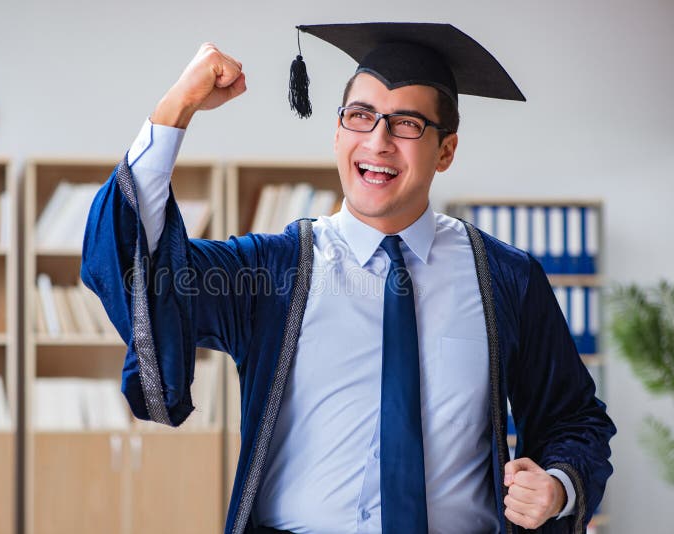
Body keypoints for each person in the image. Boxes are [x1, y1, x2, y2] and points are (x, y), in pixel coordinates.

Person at [81, 23, 616, 534]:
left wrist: (558, 486)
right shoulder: (273, 272)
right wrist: (176, 109)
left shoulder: (506, 279)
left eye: (407, 124)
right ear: (338, 132)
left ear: (446, 150)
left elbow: (575, 418)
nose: (379, 141)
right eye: (361, 115)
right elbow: (139, 275)